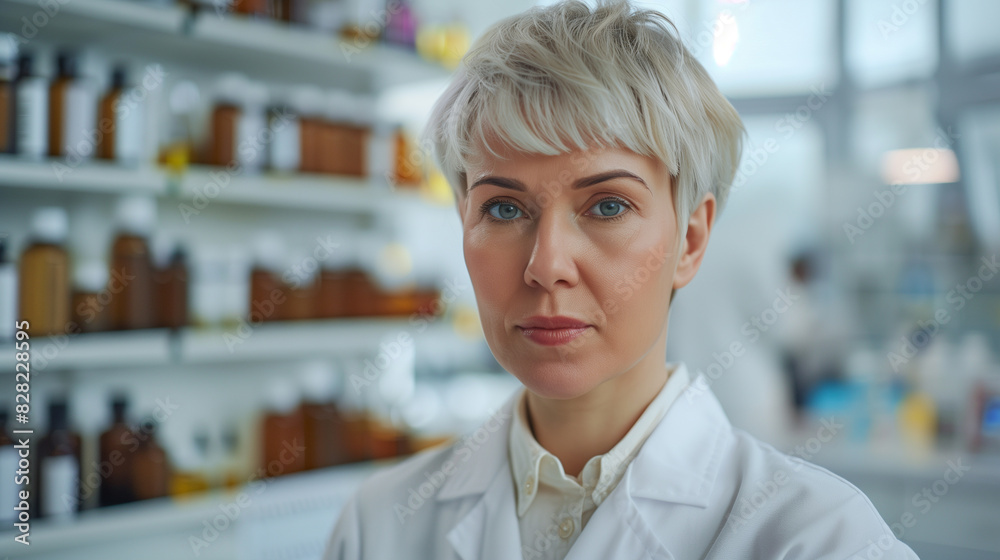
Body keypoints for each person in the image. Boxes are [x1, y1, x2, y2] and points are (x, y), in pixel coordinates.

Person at [322, 1, 919, 558]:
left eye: (607, 206)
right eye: (503, 209)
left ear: (690, 239)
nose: (547, 265)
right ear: (463, 222)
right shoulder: (379, 525)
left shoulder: (824, 540)